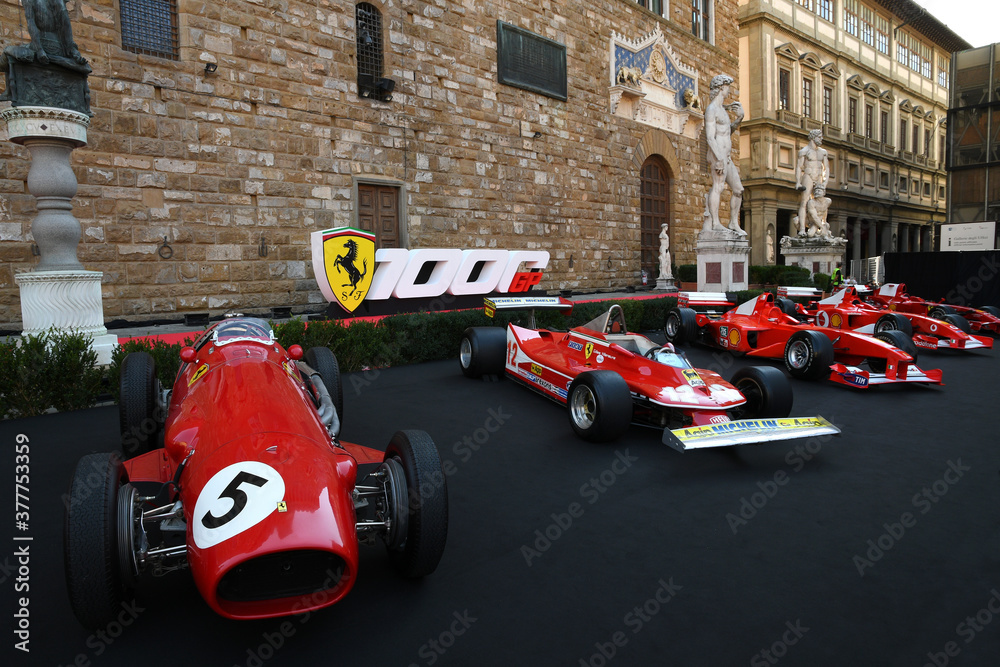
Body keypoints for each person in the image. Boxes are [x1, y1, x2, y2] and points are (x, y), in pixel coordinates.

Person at [703, 73, 746, 235]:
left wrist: (740, 118)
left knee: (738, 189)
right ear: (722, 88)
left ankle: (734, 223)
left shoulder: (723, 111)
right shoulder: (712, 109)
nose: (729, 90)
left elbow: (727, 132)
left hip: (726, 157)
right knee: (718, 186)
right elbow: (709, 137)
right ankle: (715, 223)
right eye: (727, 87)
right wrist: (719, 158)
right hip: (717, 156)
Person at [795, 129, 829, 235]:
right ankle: (801, 229)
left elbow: (826, 168)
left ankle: (822, 224)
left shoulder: (823, 152)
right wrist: (798, 182)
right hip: (808, 176)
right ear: (813, 137)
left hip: (818, 176)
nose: (821, 139)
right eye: (819, 137)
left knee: (821, 201)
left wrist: (825, 182)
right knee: (804, 202)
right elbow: (799, 167)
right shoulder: (804, 151)